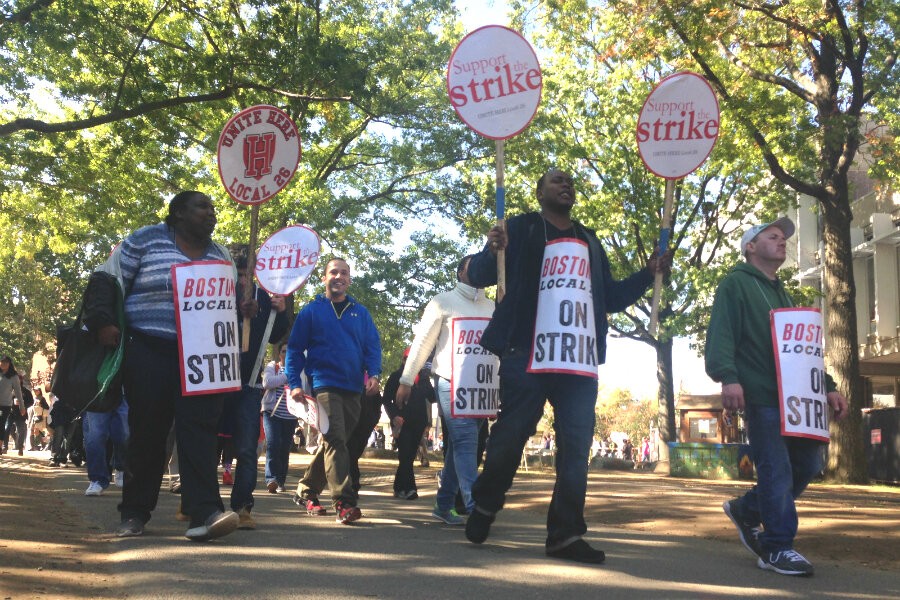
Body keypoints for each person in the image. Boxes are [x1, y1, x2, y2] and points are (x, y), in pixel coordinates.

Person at [463, 168, 671, 564]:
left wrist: (648, 275)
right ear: (539, 192)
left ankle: (565, 534)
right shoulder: (520, 228)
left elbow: (608, 296)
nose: (566, 185)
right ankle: (487, 502)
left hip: (576, 359)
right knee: (511, 435)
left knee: (576, 448)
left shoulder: (589, 241)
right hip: (525, 350)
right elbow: (481, 275)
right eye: (556, 180)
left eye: (570, 182)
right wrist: (492, 251)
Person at [94, 190, 248, 541]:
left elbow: (226, 306)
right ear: (178, 213)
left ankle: (206, 513)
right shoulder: (145, 241)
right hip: (149, 351)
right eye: (202, 207)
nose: (212, 214)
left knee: (200, 433)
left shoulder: (220, 255)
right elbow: (108, 280)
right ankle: (134, 513)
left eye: (213, 209)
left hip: (202, 356)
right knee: (148, 433)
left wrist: (243, 308)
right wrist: (104, 321)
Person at [705, 217, 848, 576]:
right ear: (750, 246)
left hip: (797, 400)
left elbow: (804, 352)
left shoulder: (783, 295)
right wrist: (729, 378)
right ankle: (777, 548)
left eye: (784, 237)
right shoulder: (734, 285)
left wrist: (828, 386)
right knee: (777, 470)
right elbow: (721, 335)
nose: (782, 241)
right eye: (773, 236)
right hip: (764, 396)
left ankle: (747, 511)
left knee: (808, 465)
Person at [394, 254, 495, 524]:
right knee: (464, 440)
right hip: (450, 381)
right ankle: (475, 507)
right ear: (460, 273)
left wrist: (500, 390)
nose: (480, 269)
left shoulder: (495, 307)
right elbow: (423, 343)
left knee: (460, 446)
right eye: (473, 264)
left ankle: (443, 504)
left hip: (481, 387)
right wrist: (406, 380)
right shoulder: (442, 302)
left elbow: (499, 351)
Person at [285, 257, 382, 525]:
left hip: (354, 386)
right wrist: (294, 383)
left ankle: (306, 490)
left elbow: (372, 347)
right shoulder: (311, 311)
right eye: (333, 272)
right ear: (324, 278)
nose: (338, 277)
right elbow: (294, 350)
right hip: (324, 383)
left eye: (344, 273)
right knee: (336, 438)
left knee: (336, 442)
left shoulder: (360, 313)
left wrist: (374, 374)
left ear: (349, 279)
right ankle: (344, 502)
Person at [225, 255, 288, 529]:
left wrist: (281, 310)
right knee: (207, 445)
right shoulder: (216, 292)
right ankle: (198, 503)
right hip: (214, 381)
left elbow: (275, 336)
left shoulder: (264, 298)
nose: (241, 281)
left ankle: (242, 506)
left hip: (249, 384)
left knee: (247, 449)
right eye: (236, 274)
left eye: (245, 275)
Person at [382, 350, 434, 500]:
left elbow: (432, 397)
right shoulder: (395, 377)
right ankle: (410, 488)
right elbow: (386, 400)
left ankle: (399, 488)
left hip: (418, 422)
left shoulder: (423, 378)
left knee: (409, 456)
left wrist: (425, 381)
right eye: (407, 359)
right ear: (403, 360)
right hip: (401, 422)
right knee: (405, 454)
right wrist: (394, 416)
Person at [261, 343, 298, 495]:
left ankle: (281, 481)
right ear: (279, 354)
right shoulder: (272, 367)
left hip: (290, 415)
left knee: (284, 448)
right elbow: (267, 383)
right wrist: (287, 376)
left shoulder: (298, 369)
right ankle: (271, 479)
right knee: (273, 444)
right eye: (284, 351)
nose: (287, 354)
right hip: (272, 413)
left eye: (290, 352)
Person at [82, 398, 129, 496]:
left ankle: (121, 466)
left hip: (126, 391)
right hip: (98, 392)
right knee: (95, 436)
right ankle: (97, 479)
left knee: (124, 434)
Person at [0, 356, 24, 455]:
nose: (4, 364)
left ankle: (0, 446)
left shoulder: (13, 376)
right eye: (2, 362)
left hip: (5, 405)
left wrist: (22, 407)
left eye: (6, 362)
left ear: (9, 364)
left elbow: (18, 392)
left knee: (1, 423)